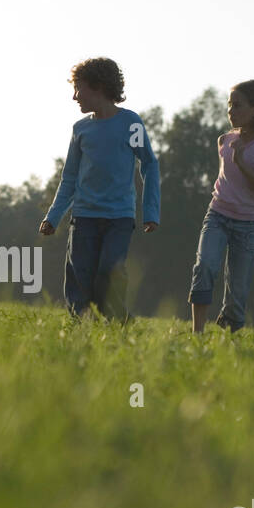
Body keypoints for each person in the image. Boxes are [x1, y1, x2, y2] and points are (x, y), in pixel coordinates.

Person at [39, 57, 160, 321]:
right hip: (83, 218)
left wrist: (150, 210)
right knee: (80, 275)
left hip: (119, 217)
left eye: (78, 89)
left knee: (109, 271)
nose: (74, 97)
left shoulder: (131, 123)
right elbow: (69, 178)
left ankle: (118, 318)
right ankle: (81, 325)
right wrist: (53, 216)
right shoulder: (80, 130)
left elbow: (149, 164)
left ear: (99, 87)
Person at [188, 79, 254, 331]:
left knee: (238, 289)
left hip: (248, 224)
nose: (230, 110)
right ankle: (197, 332)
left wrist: (242, 163)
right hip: (217, 215)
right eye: (229, 105)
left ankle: (228, 338)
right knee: (205, 265)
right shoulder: (224, 140)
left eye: (237, 105)